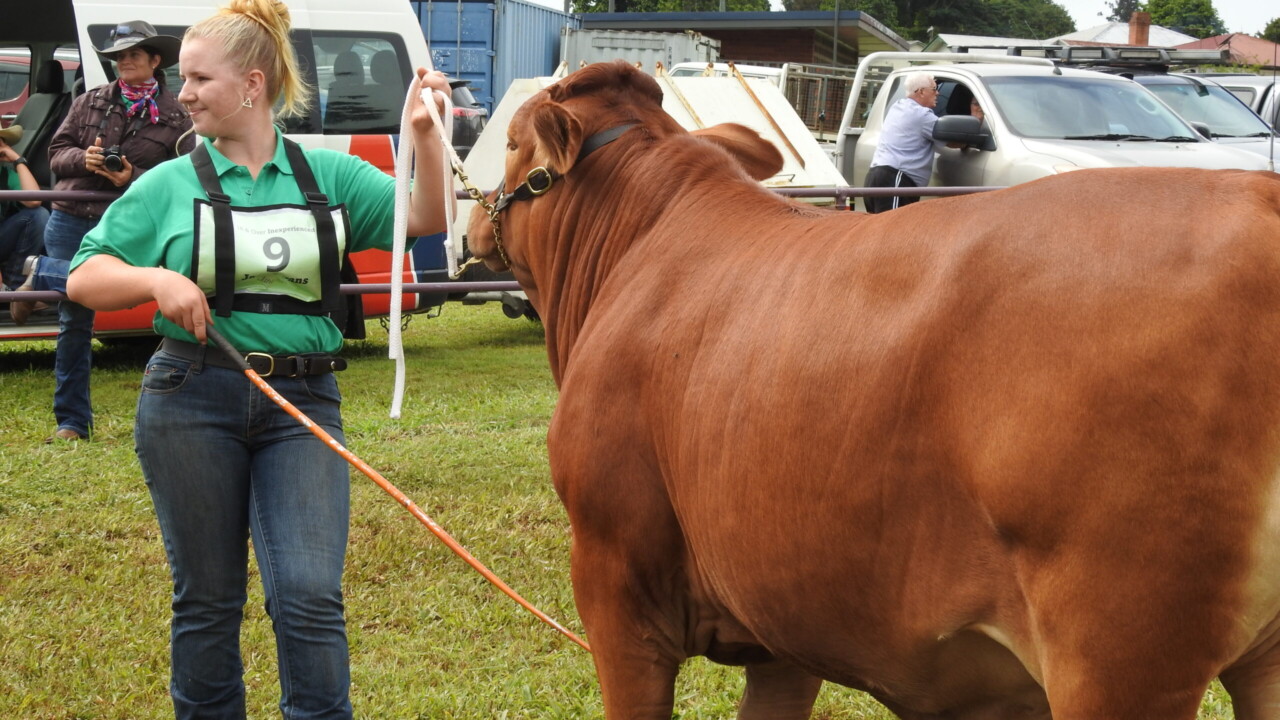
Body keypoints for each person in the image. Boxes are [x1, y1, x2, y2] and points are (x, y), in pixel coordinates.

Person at [66, 0, 453, 716]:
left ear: (252, 85)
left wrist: (428, 138)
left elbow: (423, 218)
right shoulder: (168, 183)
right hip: (190, 398)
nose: (181, 93)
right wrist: (157, 279)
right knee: (208, 600)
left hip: (303, 406)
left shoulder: (329, 176)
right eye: (181, 78)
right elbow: (82, 276)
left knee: (308, 595)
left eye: (197, 79)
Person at [13, 20, 193, 442]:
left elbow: (183, 176)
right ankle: (72, 422)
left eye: (133, 54)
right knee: (75, 320)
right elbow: (57, 155)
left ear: (155, 60)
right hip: (72, 215)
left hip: (127, 220)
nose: (124, 62)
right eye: (117, 57)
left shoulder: (178, 114)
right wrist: (86, 159)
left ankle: (41, 272)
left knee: (144, 289)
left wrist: (133, 176)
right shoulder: (89, 100)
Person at [863, 72, 947, 214]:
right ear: (921, 92)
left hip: (877, 177)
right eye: (934, 89)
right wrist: (977, 120)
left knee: (880, 233)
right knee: (891, 232)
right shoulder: (921, 115)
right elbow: (952, 141)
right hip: (896, 181)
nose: (938, 93)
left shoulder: (898, 105)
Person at [0, 124, 48, 291]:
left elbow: (34, 200)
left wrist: (18, 161)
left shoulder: (5, 173)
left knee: (38, 215)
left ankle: (14, 288)